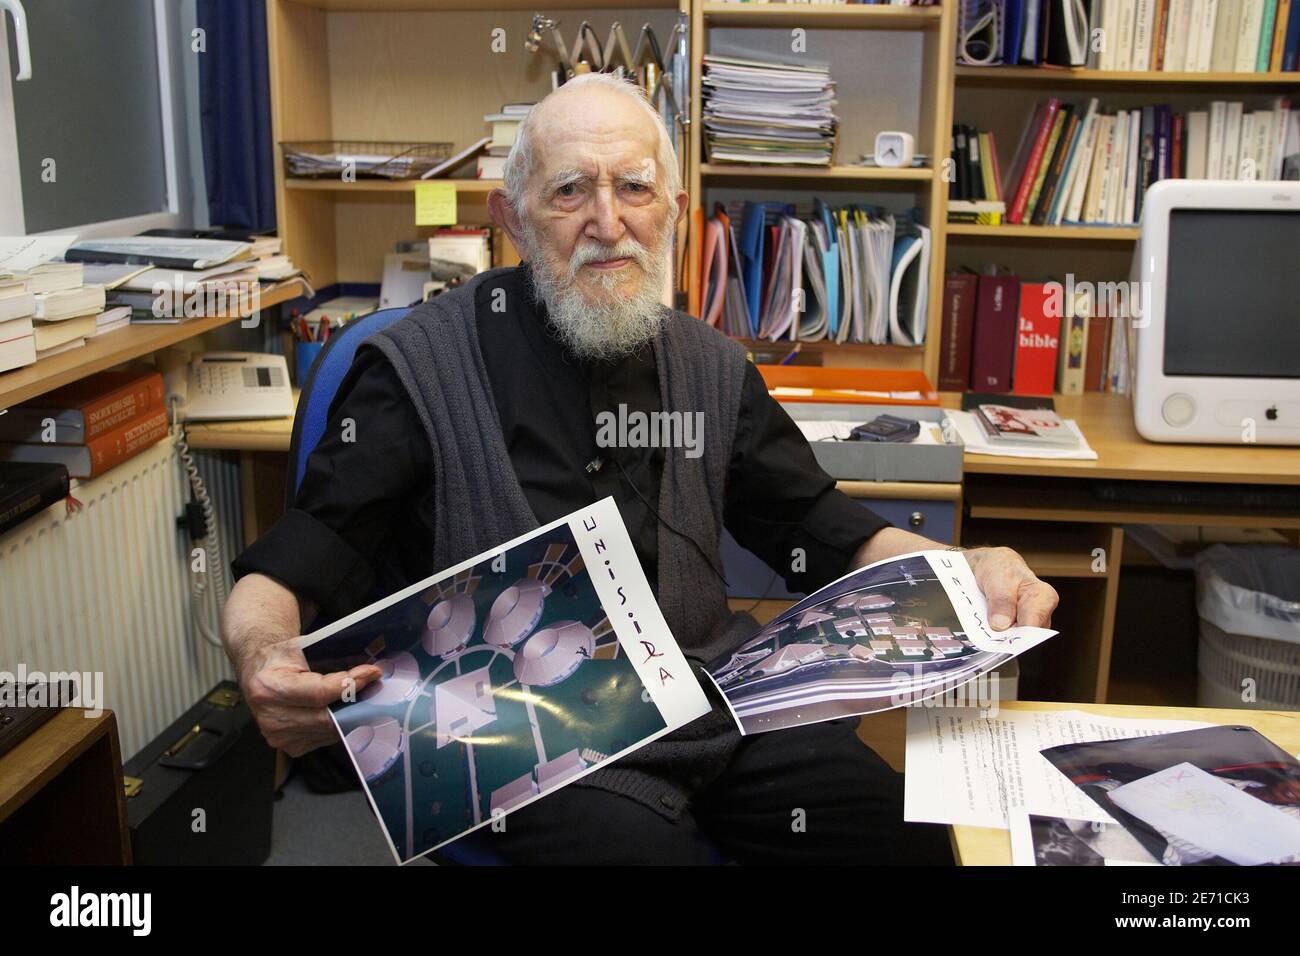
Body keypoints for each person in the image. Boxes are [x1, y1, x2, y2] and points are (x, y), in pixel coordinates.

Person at [222, 73, 1058, 864]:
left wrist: (965, 571)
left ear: (674, 212)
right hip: (521, 730)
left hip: (713, 703)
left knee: (891, 830)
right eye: (569, 190)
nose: (608, 222)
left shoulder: (712, 367)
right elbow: (301, 556)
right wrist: (262, 652)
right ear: (508, 216)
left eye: (634, 187)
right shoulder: (415, 371)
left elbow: (824, 527)